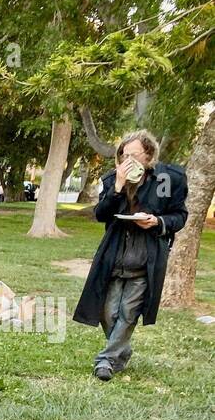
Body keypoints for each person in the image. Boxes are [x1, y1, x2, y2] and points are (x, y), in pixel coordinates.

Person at [72, 130, 189, 381]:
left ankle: (105, 361)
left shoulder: (168, 179)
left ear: (148, 156)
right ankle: (121, 352)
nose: (129, 160)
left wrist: (157, 221)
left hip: (145, 259)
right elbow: (101, 214)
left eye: (134, 155)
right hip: (114, 256)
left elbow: (179, 215)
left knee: (128, 313)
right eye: (124, 155)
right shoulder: (113, 179)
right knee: (108, 312)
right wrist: (117, 187)